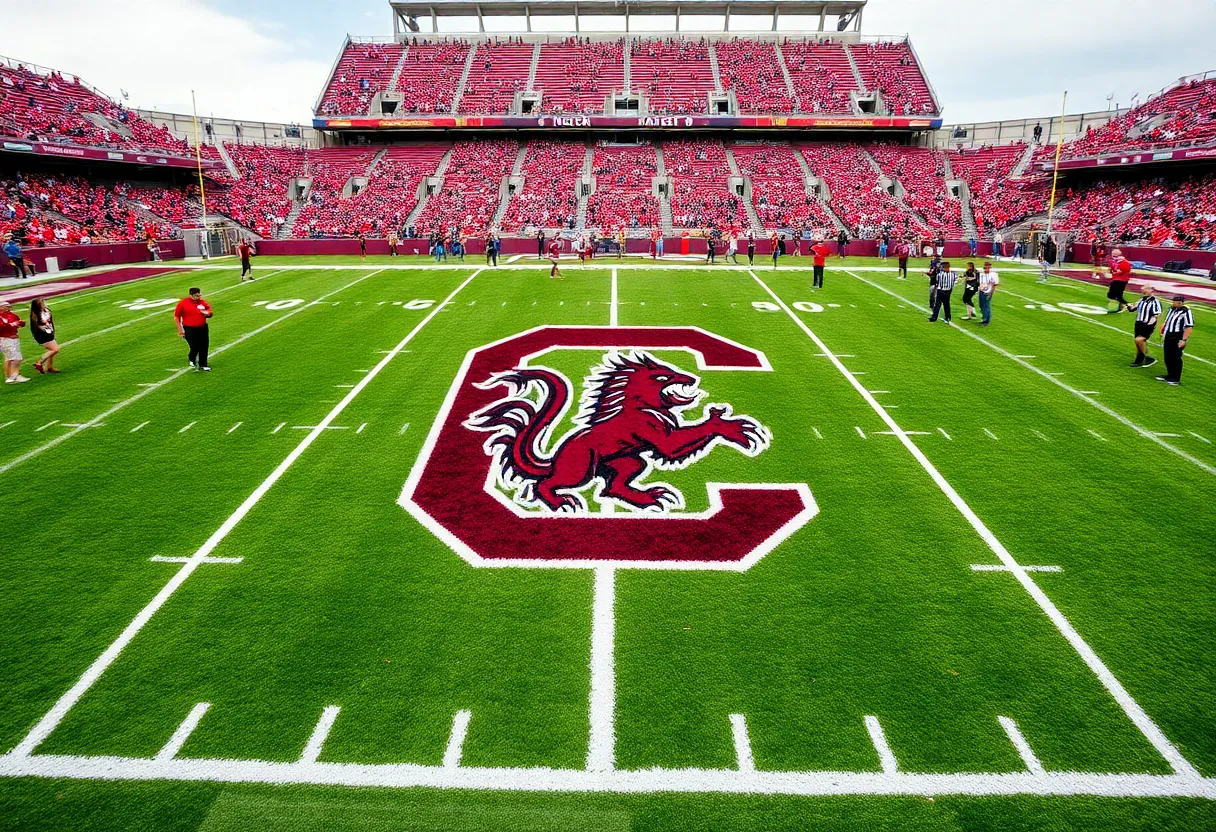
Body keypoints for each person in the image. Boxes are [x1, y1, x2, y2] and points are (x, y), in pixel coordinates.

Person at [1157, 295, 1193, 385]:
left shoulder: (1186, 311)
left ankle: (1176, 378)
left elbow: (1189, 327)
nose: (1172, 303)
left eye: (1174, 301)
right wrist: (1163, 334)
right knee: (1167, 357)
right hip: (1169, 335)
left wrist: (1183, 340)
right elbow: (1167, 323)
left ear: (1179, 302)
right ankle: (1170, 375)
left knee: (1175, 357)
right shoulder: (1172, 309)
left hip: (1177, 336)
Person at [174, 287, 213, 371]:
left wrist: (207, 313)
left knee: (204, 346)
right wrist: (180, 330)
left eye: (199, 295)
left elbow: (209, 311)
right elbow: (177, 316)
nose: (197, 297)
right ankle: (191, 358)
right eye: (195, 296)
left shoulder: (203, 302)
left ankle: (204, 364)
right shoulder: (183, 303)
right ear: (190, 295)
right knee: (194, 346)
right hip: (189, 328)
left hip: (202, 327)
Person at [1128, 285, 1160, 368]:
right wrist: (1128, 306)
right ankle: (1139, 360)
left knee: (1139, 340)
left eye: (1145, 289)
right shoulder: (1141, 300)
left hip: (1148, 324)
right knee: (1138, 343)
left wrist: (1149, 324)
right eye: (1143, 290)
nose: (1143, 291)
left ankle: (1147, 358)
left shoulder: (1155, 301)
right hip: (1138, 323)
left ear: (1150, 291)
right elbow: (1132, 309)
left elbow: (1157, 314)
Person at [0, 298, 29, 383]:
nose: (8, 307)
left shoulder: (12, 315)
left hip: (14, 338)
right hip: (5, 339)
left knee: (10, 358)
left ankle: (9, 377)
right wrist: (12, 325)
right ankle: (14, 376)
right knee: (16, 358)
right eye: (5, 306)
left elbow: (20, 322)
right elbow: (2, 327)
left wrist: (20, 323)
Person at [29, 296, 59, 374]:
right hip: (43, 334)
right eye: (42, 303)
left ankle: (49, 367)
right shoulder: (36, 315)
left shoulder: (46, 310)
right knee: (55, 349)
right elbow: (39, 325)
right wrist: (46, 326)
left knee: (51, 350)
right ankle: (39, 363)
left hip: (49, 332)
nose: (45, 303)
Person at [1106, 248, 1135, 312]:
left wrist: (1113, 272)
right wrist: (1111, 271)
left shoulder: (1124, 262)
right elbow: (1112, 270)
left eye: (1113, 254)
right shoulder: (1115, 262)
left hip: (1120, 280)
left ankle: (1124, 306)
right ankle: (1127, 305)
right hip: (1118, 280)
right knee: (1118, 297)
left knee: (1112, 295)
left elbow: (1121, 271)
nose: (1112, 255)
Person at [977, 262, 998, 326]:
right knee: (981, 305)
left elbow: (994, 285)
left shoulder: (993, 275)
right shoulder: (981, 274)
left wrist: (990, 293)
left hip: (988, 292)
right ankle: (984, 318)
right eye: (985, 267)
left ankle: (986, 320)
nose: (987, 269)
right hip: (981, 291)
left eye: (988, 267)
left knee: (986, 306)